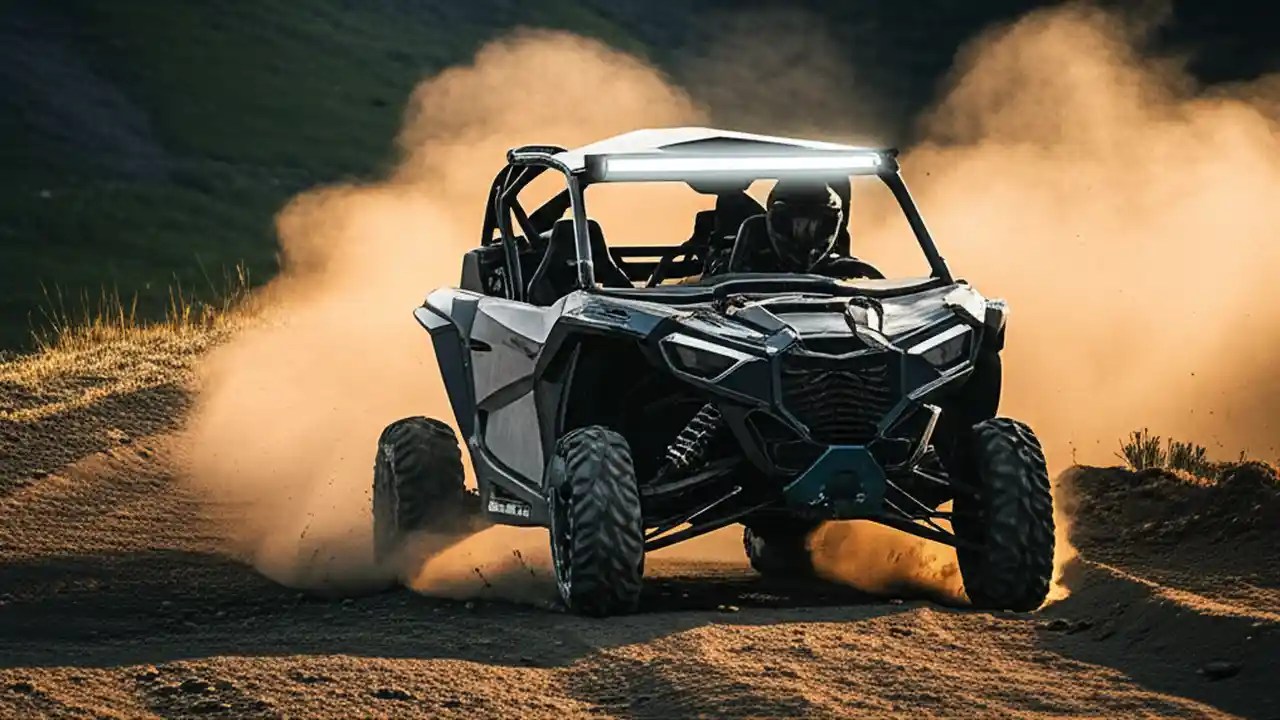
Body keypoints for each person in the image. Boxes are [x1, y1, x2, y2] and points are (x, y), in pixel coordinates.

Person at [713, 179, 883, 279]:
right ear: (777, 221)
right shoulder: (736, 273)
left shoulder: (853, 272)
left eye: (816, 225)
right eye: (798, 225)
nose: (805, 234)